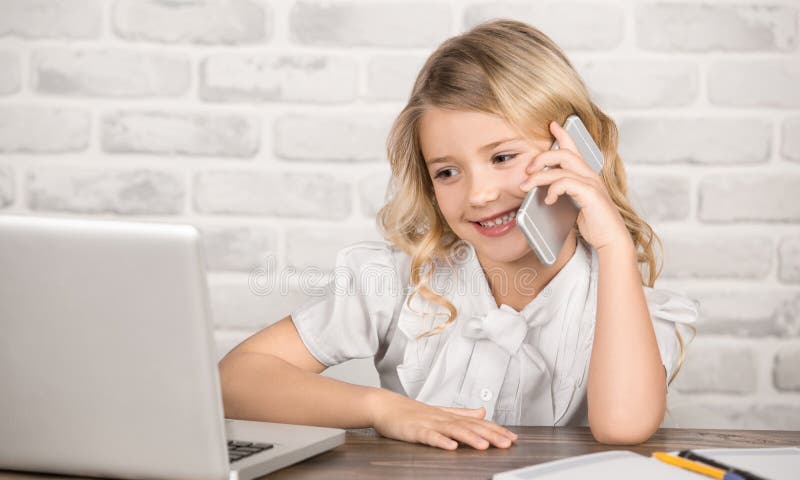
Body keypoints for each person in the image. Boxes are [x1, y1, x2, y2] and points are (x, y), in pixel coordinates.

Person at [219, 19, 699, 450]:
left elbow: (622, 427)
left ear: (576, 149)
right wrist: (381, 410)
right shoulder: (400, 282)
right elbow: (235, 380)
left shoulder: (623, 303)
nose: (480, 194)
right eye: (448, 172)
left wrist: (614, 247)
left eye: (503, 157)